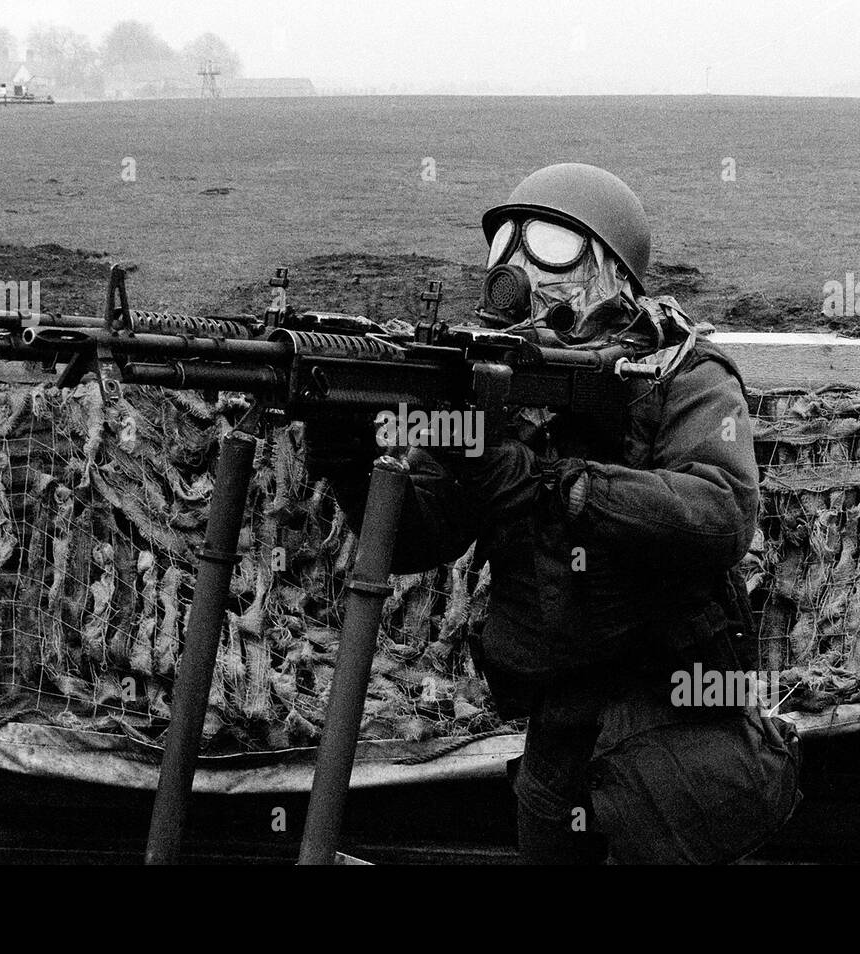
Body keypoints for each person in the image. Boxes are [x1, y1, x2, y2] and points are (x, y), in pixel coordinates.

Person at [310, 162, 800, 864]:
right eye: (503, 248)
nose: (517, 272)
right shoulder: (496, 385)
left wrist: (554, 485)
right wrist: (349, 454)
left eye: (544, 246)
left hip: (671, 737)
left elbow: (720, 514)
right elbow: (416, 537)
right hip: (558, 733)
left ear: (609, 269)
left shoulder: (683, 375)